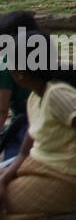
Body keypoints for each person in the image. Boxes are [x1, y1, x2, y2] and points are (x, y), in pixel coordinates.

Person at [0, 28, 76, 220]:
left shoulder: (58, 96)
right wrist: (4, 178)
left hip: (67, 180)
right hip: (40, 167)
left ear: (19, 72)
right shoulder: (36, 97)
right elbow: (24, 150)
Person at [0, 11, 38, 162]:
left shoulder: (7, 63)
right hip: (52, 124)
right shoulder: (46, 55)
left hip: (23, 129)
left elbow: (1, 111)